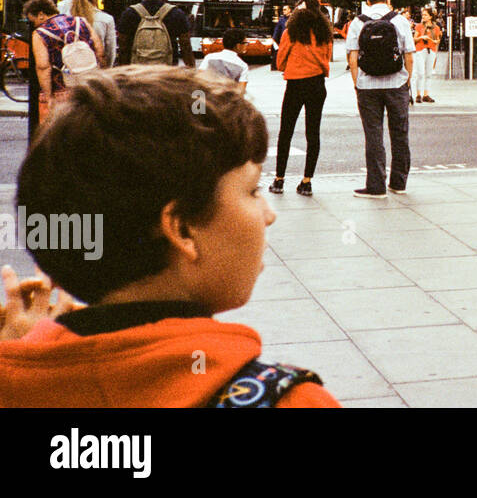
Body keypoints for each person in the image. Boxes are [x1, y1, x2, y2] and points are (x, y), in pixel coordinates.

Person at [0, 67, 340, 407]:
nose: (269, 215)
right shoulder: (292, 402)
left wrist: (23, 354)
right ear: (182, 229)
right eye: (252, 190)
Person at [346, 0, 416, 198]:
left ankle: (376, 186)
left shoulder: (358, 22)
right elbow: (409, 55)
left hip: (367, 86)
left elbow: (353, 56)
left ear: (368, 0)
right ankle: (398, 183)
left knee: (373, 135)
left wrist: (358, 83)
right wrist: (406, 80)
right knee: (400, 133)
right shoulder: (400, 20)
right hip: (396, 85)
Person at [270, 0, 333, 197]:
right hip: (317, 84)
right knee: (313, 133)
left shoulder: (290, 33)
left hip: (295, 84)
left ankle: (279, 179)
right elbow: (327, 58)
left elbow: (280, 62)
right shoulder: (324, 34)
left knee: (286, 131)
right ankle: (306, 181)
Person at [24, 0, 104, 125]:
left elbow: (43, 67)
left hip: (60, 91)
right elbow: (99, 51)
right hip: (88, 87)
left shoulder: (40, 34)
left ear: (41, 14)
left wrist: (48, 96)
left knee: (59, 134)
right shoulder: (80, 21)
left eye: (32, 21)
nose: (33, 25)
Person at [117, 0, 195, 67]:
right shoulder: (176, 14)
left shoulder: (129, 14)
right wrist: (192, 69)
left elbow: (123, 47)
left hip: (136, 74)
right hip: (166, 73)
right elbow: (186, 46)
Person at [59, 0, 116, 68]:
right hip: (96, 69)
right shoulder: (106, 19)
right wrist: (107, 69)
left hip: (71, 69)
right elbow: (110, 51)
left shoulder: (63, 19)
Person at [198, 29, 251, 95]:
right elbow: (240, 91)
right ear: (238, 46)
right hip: (226, 101)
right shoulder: (242, 66)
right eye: (245, 43)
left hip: (208, 98)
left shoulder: (209, 57)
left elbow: (198, 78)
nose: (246, 45)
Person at [412, 7, 440, 103]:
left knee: (428, 73)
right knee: (420, 73)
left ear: (430, 17)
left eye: (425, 15)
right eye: (423, 15)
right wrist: (421, 37)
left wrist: (433, 41)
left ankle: (426, 94)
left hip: (431, 50)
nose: (423, 16)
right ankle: (418, 94)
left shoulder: (436, 28)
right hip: (420, 50)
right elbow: (414, 39)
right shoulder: (419, 26)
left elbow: (437, 40)